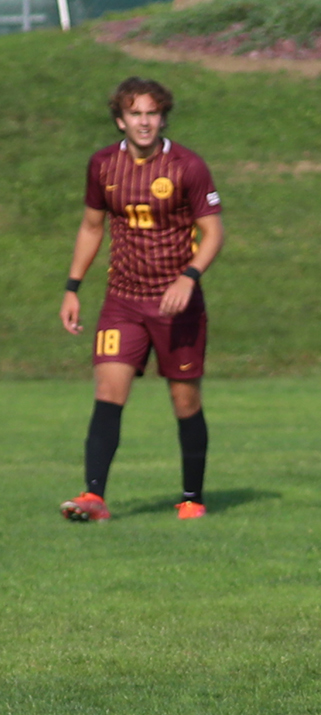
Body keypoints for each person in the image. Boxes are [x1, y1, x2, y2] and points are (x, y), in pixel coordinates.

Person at [58, 77, 225, 523]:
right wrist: (72, 287)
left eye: (152, 113)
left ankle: (192, 498)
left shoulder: (187, 166)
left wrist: (189, 277)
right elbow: (92, 227)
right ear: (121, 120)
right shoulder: (102, 166)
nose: (145, 121)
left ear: (163, 117)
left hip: (177, 304)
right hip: (124, 301)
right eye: (136, 113)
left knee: (185, 401)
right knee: (108, 392)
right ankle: (94, 497)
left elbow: (213, 231)